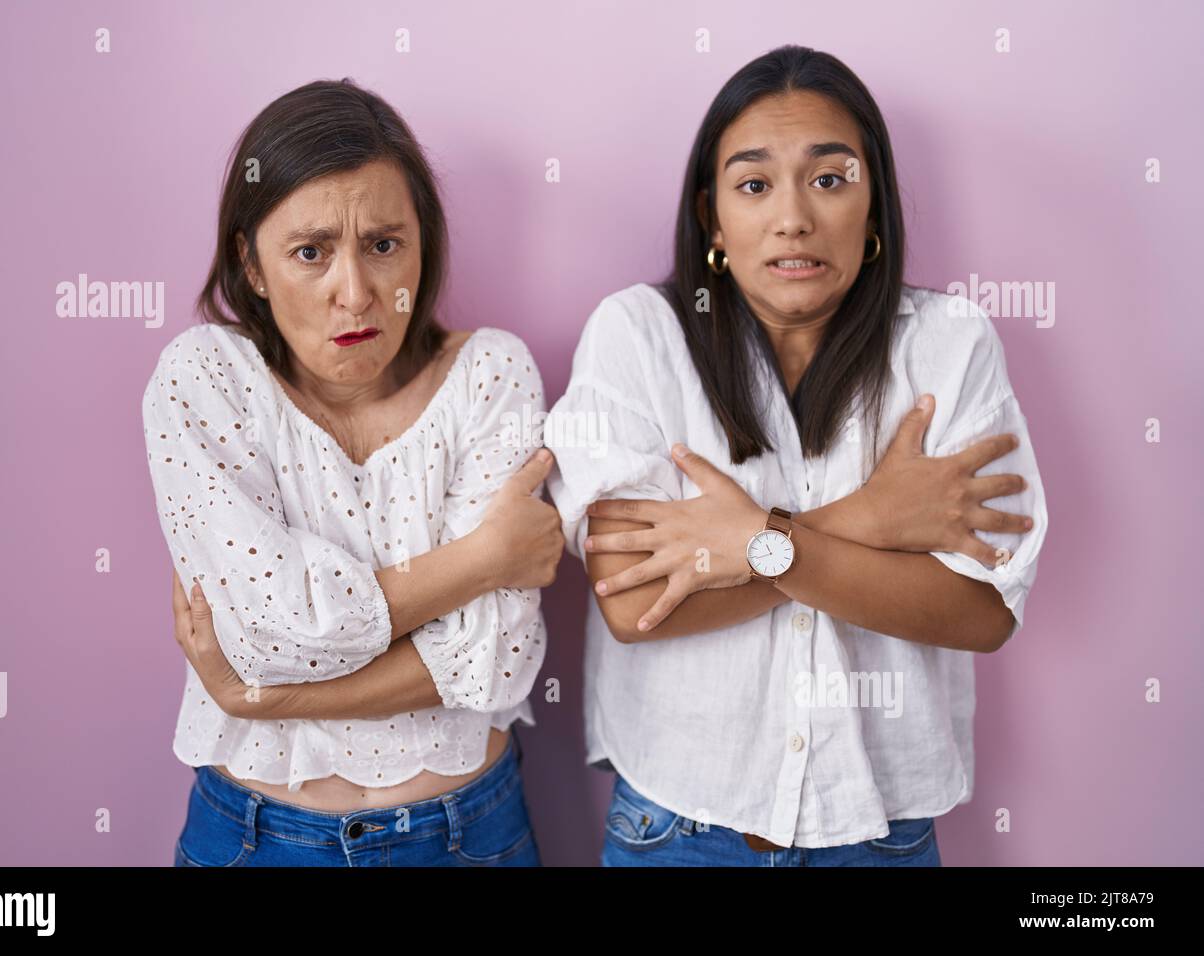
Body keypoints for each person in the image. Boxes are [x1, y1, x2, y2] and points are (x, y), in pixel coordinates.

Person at [544, 44, 1048, 866]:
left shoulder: (949, 346)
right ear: (713, 217)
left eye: (829, 178)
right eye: (753, 185)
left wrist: (740, 544)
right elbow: (634, 605)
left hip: (880, 834)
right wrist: (873, 520)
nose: (793, 219)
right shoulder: (638, 335)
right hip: (680, 828)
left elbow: (981, 612)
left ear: (874, 203)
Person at [140, 78, 560, 866]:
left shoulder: (490, 375)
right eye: (310, 252)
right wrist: (484, 560)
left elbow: (495, 656)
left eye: (384, 243)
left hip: (467, 835)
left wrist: (260, 698)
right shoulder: (204, 379)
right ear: (252, 265)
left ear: (422, 244)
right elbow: (268, 629)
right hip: (256, 838)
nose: (356, 292)